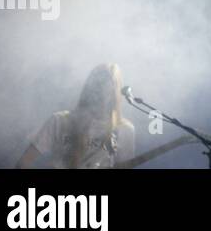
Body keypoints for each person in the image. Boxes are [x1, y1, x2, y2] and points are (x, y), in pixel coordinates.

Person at [16, 63, 199, 169]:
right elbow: (23, 163)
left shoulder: (124, 130)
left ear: (115, 91)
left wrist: (178, 142)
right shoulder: (60, 120)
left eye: (107, 85)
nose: (101, 90)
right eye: (97, 84)